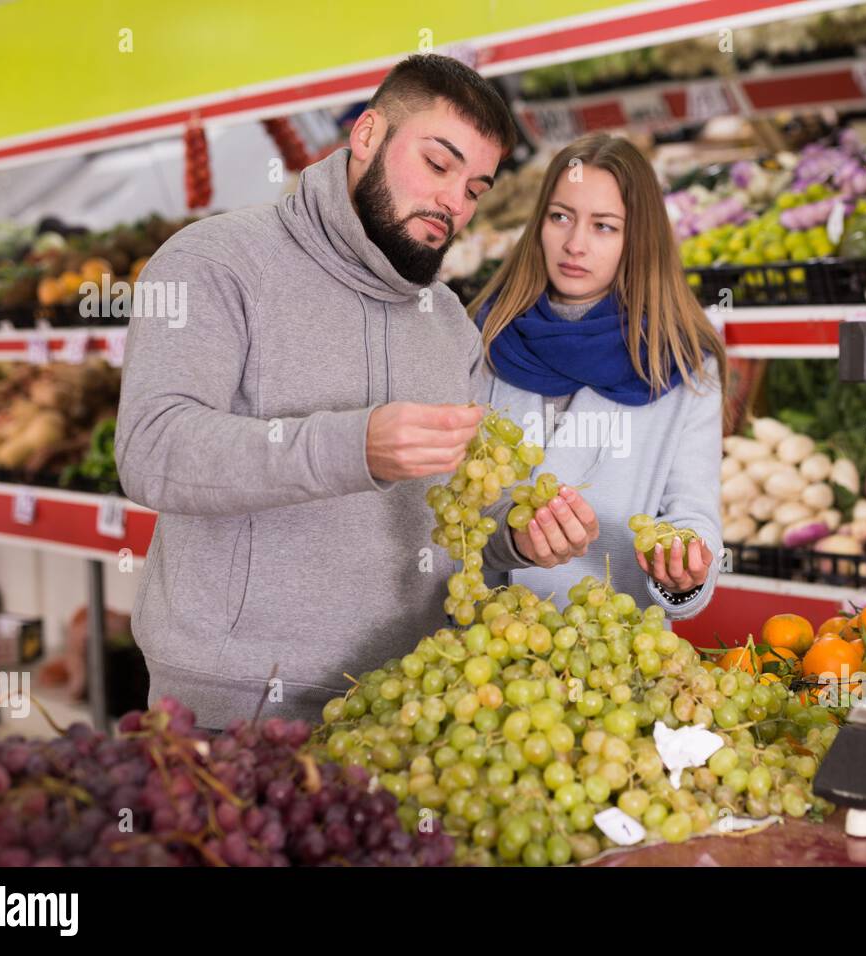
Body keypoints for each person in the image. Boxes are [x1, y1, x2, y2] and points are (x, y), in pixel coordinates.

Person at [116, 54, 563, 729]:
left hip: (409, 702)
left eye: (475, 187)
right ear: (366, 135)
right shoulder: (212, 262)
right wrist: (355, 445)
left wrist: (517, 539)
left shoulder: (446, 322)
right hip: (235, 708)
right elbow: (154, 450)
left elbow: (453, 520)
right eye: (438, 165)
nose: (454, 203)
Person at [469, 133, 726, 619]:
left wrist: (683, 573)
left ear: (639, 238)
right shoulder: (486, 337)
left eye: (604, 226)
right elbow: (447, 514)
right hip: (485, 661)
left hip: (610, 661)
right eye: (560, 217)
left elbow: (693, 513)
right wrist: (513, 542)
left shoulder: (682, 360)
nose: (575, 244)